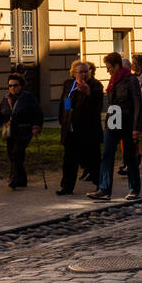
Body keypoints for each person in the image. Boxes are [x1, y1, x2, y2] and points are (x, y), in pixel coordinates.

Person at [89, 51, 142, 201]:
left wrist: (136, 127)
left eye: (109, 67)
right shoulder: (113, 80)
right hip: (113, 119)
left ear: (117, 66)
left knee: (129, 156)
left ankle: (134, 189)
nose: (108, 70)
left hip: (127, 120)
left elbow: (137, 104)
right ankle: (104, 189)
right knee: (107, 154)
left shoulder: (130, 80)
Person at [0, 73, 43, 190]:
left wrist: (37, 126)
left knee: (16, 153)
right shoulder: (6, 98)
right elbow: (0, 113)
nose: (12, 88)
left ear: (21, 86)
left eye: (15, 85)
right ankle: (22, 179)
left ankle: (15, 179)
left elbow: (37, 113)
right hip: (9, 130)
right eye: (10, 86)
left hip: (25, 129)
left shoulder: (28, 97)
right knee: (12, 155)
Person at [57, 60, 101, 195]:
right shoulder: (69, 84)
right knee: (69, 160)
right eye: (80, 72)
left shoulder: (95, 85)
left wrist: (88, 93)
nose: (83, 74)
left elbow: (97, 107)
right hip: (70, 129)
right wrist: (63, 120)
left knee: (92, 159)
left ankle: (100, 184)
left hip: (88, 130)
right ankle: (66, 186)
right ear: (73, 73)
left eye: (85, 71)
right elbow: (65, 103)